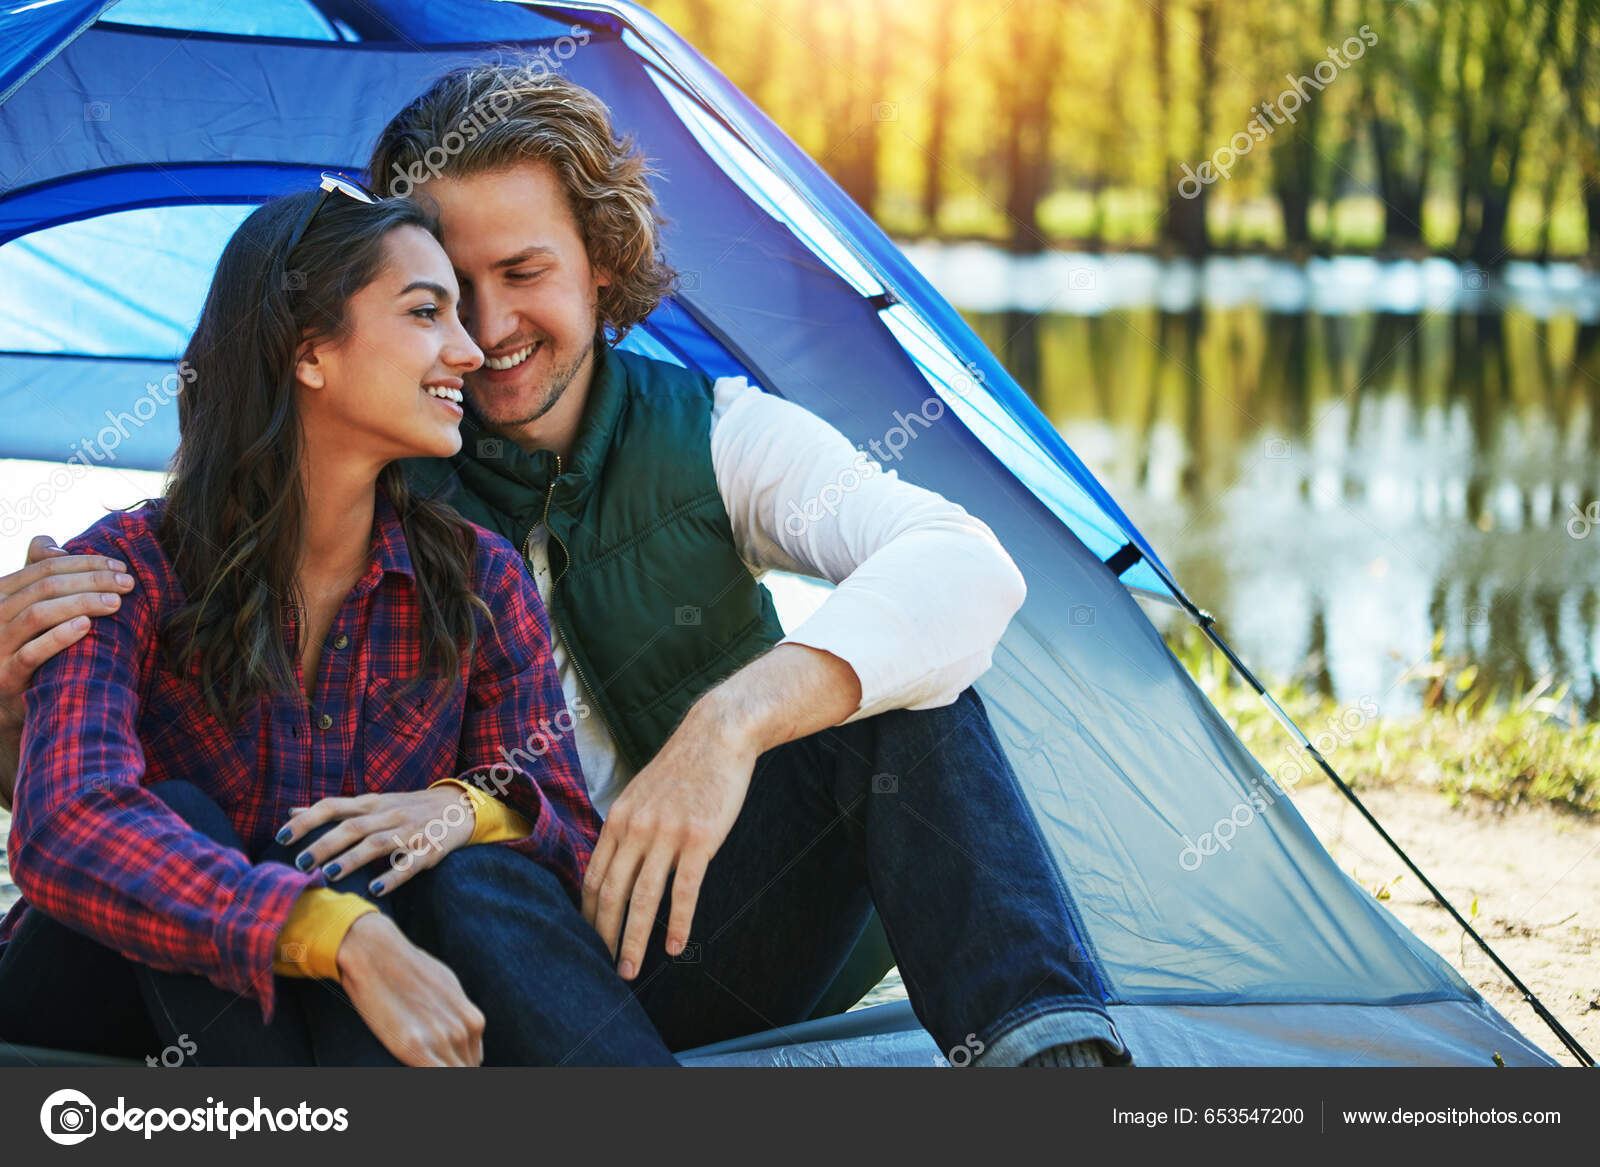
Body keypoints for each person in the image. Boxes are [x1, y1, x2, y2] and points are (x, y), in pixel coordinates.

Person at [0, 63, 1129, 1067]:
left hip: (689, 930)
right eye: (442, 291)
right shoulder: (379, 461)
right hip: (438, 941)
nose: (483, 334)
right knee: (443, 875)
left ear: (601, 265)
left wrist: (726, 729)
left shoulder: (717, 438)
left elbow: (962, 565)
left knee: (905, 702)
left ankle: (1052, 1071)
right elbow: (112, 792)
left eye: (523, 273)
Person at [0, 177, 675, 1067]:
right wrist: (334, 932)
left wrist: (460, 809)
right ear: (310, 349)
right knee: (186, 817)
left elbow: (568, 841)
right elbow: (65, 823)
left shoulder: (479, 583)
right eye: (428, 312)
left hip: (324, 1041)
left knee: (401, 864)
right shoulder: (125, 568)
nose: (470, 352)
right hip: (97, 1019)